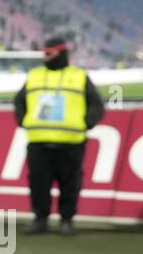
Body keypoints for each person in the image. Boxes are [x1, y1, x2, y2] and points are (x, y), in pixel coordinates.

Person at [13, 37, 105, 236]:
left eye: (49, 53)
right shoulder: (35, 75)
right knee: (38, 183)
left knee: (70, 183)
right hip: (38, 140)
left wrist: (86, 123)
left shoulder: (79, 76)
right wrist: (23, 121)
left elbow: (97, 104)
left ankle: (66, 220)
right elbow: (19, 101)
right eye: (44, 53)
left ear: (60, 53)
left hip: (71, 141)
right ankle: (40, 219)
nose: (45, 57)